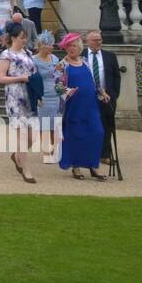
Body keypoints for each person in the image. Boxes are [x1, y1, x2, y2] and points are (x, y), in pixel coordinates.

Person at [53, 33, 106, 181]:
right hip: (73, 106)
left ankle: (93, 165)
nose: (71, 48)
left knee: (97, 132)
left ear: (80, 47)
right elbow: (57, 87)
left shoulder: (85, 62)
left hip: (90, 106)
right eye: (68, 45)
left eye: (74, 45)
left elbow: (93, 83)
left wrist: (102, 92)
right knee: (75, 135)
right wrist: (68, 91)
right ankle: (75, 166)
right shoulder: (62, 65)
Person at [0, 22, 37, 184]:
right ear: (13, 38)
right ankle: (26, 170)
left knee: (32, 137)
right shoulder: (6, 55)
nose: (24, 40)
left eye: (25, 37)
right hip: (14, 97)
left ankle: (17, 155)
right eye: (21, 38)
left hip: (30, 96)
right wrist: (20, 78)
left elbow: (34, 74)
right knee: (22, 134)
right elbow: (1, 78)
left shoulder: (27, 52)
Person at [84, 29, 122, 164]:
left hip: (106, 97)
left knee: (106, 126)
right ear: (87, 42)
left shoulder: (110, 56)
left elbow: (117, 77)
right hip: (87, 97)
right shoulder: (81, 56)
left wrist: (114, 94)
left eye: (100, 39)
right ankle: (88, 153)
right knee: (87, 126)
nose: (98, 42)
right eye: (95, 40)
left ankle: (105, 154)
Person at [32, 32, 61, 162]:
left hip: (56, 94)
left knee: (55, 124)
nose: (52, 47)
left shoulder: (55, 58)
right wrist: (36, 96)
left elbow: (60, 75)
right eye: (49, 45)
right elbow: (32, 80)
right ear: (42, 46)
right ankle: (46, 153)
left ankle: (55, 150)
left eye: (52, 44)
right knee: (44, 125)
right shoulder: (33, 60)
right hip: (42, 95)